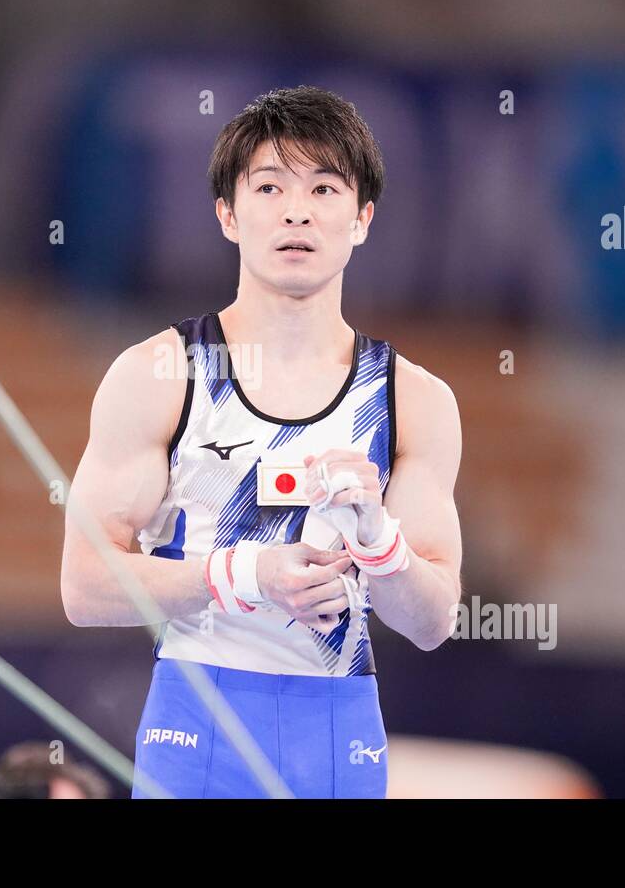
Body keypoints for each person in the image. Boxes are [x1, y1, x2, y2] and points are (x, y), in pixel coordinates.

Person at [60, 86, 463, 798]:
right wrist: (242, 575)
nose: (297, 210)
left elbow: (433, 622)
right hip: (199, 719)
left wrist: (380, 542)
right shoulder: (158, 376)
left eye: (325, 188)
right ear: (227, 214)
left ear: (362, 218)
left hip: (336, 730)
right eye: (269, 186)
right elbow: (85, 586)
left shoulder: (415, 401)